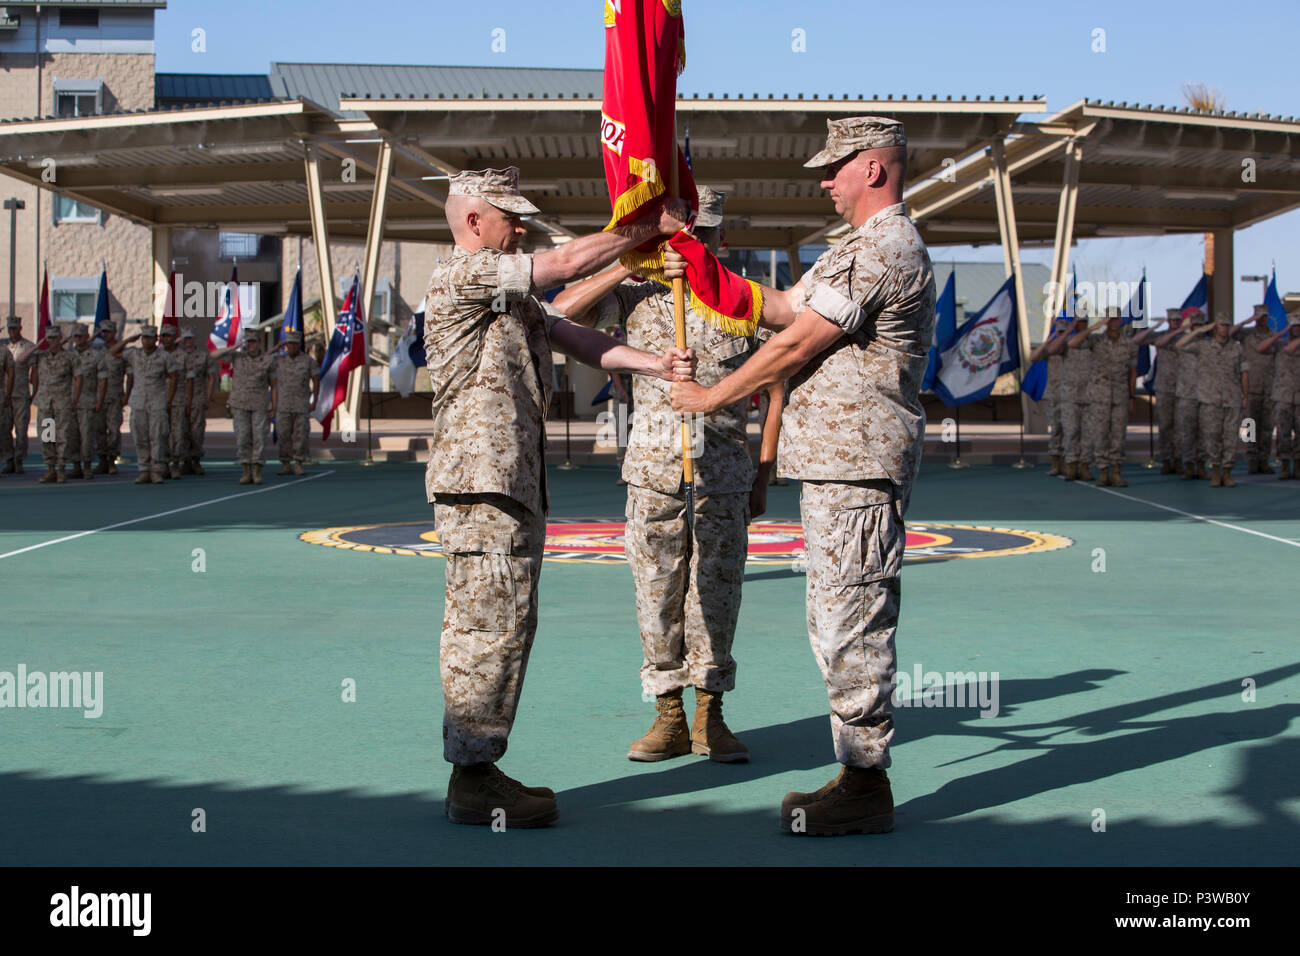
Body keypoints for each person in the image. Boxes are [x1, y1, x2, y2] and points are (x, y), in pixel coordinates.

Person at [671, 116, 934, 836]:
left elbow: (795, 342)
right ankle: (855, 770)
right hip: (837, 469)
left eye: (836, 167)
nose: (824, 179)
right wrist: (695, 255)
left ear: (873, 170)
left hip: (859, 470)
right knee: (833, 621)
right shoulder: (852, 249)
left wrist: (711, 397)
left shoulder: (887, 246)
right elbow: (782, 306)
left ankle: (865, 783)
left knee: (853, 619)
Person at [426, 166, 693, 828]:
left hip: (507, 482)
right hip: (481, 483)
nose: (519, 228)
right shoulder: (463, 276)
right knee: (485, 626)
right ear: (472, 223)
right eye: (508, 217)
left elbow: (581, 339)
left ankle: (480, 765)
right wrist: (644, 229)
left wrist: (653, 364)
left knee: (508, 624)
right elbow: (567, 262)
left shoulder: (507, 297)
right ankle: (472, 775)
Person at [551, 187, 768, 764]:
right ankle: (667, 713)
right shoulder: (640, 292)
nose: (695, 243)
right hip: (654, 470)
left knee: (717, 594)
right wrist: (631, 257)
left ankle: (710, 714)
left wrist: (765, 470)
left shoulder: (743, 300)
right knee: (657, 591)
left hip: (722, 472)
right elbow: (562, 311)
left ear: (723, 237)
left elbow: (779, 387)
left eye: (706, 232)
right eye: (684, 232)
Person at [1065, 306, 1158, 487]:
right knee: (1100, 434)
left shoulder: (1129, 344)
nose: (1113, 323)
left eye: (1116, 319)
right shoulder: (1096, 340)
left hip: (1120, 395)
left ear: (1121, 321)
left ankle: (1116, 471)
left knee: (1118, 435)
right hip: (1099, 395)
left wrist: (1132, 398)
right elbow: (1072, 344)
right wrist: (1094, 327)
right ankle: (1103, 471)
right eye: (1110, 319)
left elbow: (1132, 372)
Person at [1177, 313, 1247, 486]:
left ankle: (1227, 472)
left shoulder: (1237, 348)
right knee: (1212, 436)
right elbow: (1179, 345)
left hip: (1232, 398)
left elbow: (1244, 373)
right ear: (1215, 327)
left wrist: (1246, 395)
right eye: (1222, 325)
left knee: (1230, 437)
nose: (1225, 328)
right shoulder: (1203, 346)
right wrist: (1199, 330)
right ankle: (1215, 471)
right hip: (1210, 398)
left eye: (1227, 325)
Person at [112, 325, 175, 484]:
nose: (147, 341)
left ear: (156, 339)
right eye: (144, 337)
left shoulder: (164, 357)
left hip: (157, 401)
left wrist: (169, 399)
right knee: (140, 437)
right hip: (138, 402)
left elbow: (174, 377)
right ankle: (144, 469)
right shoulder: (134, 354)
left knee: (157, 437)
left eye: (150, 337)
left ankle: (156, 470)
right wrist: (128, 340)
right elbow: (112, 352)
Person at [212, 329, 275, 485]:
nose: (251, 345)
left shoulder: (267, 360)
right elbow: (213, 356)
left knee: (259, 437)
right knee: (243, 437)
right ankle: (246, 470)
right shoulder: (237, 357)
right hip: (240, 403)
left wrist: (274, 405)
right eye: (248, 342)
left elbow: (274, 385)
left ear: (259, 342)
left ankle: (257, 470)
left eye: (253, 341)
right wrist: (234, 347)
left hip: (259, 403)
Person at [1158, 308, 1208, 479]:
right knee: (1184, 430)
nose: (1198, 328)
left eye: (1201, 325)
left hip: (1205, 393)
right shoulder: (1183, 342)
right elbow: (1161, 343)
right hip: (1186, 393)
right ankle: (1184, 463)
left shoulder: (1208, 344)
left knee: (1203, 432)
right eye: (1195, 326)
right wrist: (1184, 331)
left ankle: (1200, 465)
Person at [1048, 308, 1093, 480]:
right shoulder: (1066, 341)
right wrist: (1068, 329)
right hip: (1070, 395)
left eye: (1084, 322)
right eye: (1078, 322)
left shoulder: (1094, 342)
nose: (1081, 325)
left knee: (1087, 433)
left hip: (1089, 394)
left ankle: (1085, 465)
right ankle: (1071, 464)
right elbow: (1052, 349)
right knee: (1071, 430)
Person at [33, 323, 77, 484]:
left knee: (62, 437)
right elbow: (21, 360)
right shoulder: (40, 356)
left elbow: (78, 378)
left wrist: (75, 399)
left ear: (60, 339)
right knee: (47, 436)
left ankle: (61, 469)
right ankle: (50, 469)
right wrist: (39, 344)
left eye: (54, 338)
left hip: (62, 402)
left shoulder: (69, 357)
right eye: (48, 338)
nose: (51, 341)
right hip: (45, 404)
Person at [1258, 311, 1300, 479]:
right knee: (1283, 432)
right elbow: (1261, 348)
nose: (1296, 330)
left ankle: (1297, 465)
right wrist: (1281, 332)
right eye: (1293, 327)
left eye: (1298, 326)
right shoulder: (1280, 343)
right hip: (1283, 395)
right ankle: (1284, 465)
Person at [1028, 315, 1072, 476]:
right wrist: (1047, 341)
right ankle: (1055, 463)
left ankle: (1069, 462)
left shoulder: (1073, 347)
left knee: (1071, 430)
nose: (1061, 334)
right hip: (1054, 395)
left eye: (1064, 332)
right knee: (1056, 430)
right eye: (1058, 332)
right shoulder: (1049, 349)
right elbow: (1033, 357)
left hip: (1071, 395)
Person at [1235, 305, 1276, 474]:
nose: (1261, 319)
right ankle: (1252, 457)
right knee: (1249, 425)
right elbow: (1230, 332)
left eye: (1264, 316)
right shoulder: (1246, 334)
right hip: (1250, 387)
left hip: (1269, 388)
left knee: (1267, 427)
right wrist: (1248, 320)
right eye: (1259, 316)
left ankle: (1263, 459)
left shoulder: (1273, 336)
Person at [273, 330, 317, 475]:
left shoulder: (308, 361)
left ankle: (298, 462)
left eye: (294, 344)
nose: (291, 347)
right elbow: (261, 360)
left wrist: (314, 400)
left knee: (301, 435)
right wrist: (277, 346)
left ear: (299, 344)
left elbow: (316, 381)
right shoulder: (279, 360)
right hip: (283, 405)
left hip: (301, 405)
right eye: (289, 344)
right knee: (283, 434)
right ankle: (286, 463)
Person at [68, 325, 107, 480]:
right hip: (70, 402)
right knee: (71, 436)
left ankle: (87, 466)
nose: (77, 339)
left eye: (80, 336)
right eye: (75, 336)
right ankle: (76, 465)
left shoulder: (96, 356)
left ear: (87, 336)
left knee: (87, 436)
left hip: (88, 401)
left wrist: (100, 400)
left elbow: (103, 380)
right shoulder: (68, 356)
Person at [3, 315, 37, 473]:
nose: (12, 331)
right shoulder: (4, 347)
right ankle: (9, 458)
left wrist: (34, 392)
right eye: (9, 328)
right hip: (4, 395)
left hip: (21, 393)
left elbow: (34, 371)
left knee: (21, 428)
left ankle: (19, 459)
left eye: (14, 328)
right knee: (4, 428)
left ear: (20, 329)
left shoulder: (28, 347)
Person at [182, 329, 217, 475]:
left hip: (197, 398)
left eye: (190, 339)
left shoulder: (203, 356)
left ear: (194, 339)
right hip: (180, 399)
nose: (188, 342)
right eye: (185, 339)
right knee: (181, 431)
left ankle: (196, 460)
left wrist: (208, 397)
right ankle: (185, 461)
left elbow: (211, 377)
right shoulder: (177, 356)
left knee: (196, 431)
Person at [94, 321, 128, 475]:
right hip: (98, 396)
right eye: (103, 332)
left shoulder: (122, 351)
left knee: (114, 429)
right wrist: (94, 335)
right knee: (99, 429)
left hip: (115, 395)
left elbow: (131, 374)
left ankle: (112, 460)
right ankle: (102, 460)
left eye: (108, 331)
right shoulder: (96, 350)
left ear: (115, 332)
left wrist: (127, 394)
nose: (105, 334)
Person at [1152, 308, 1183, 473]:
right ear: (1168, 321)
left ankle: (1178, 459)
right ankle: (1166, 459)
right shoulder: (1162, 336)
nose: (1176, 323)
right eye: (1173, 320)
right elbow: (1158, 343)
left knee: (1179, 428)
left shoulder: (1186, 338)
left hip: (1181, 388)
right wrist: (1172, 332)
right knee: (1165, 426)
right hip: (1164, 387)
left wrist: (1183, 332)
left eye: (1178, 320)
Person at [158, 325, 189, 479]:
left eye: (169, 335)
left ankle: (176, 464)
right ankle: (163, 463)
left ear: (174, 338)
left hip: (178, 399)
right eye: (163, 335)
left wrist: (189, 402)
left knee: (177, 433)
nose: (166, 338)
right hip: (159, 400)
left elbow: (190, 380)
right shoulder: (157, 356)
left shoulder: (183, 356)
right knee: (161, 433)